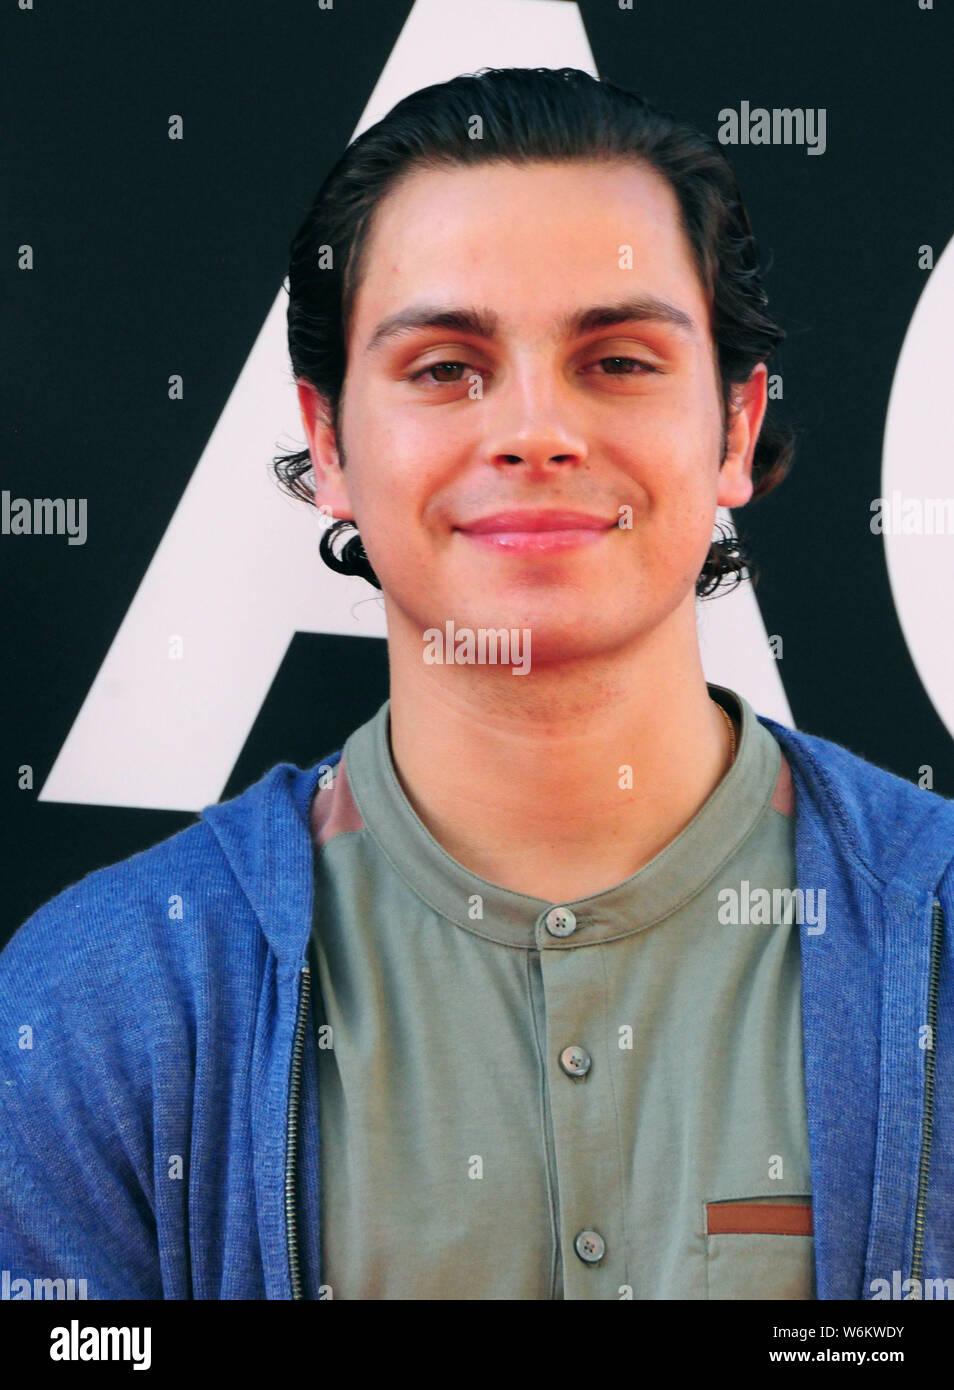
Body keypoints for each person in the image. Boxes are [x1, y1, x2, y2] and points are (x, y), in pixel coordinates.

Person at [1, 67, 952, 1303]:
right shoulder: (101, 1002)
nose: (536, 429)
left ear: (733, 427)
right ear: (330, 442)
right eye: (448, 367)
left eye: (616, 359)